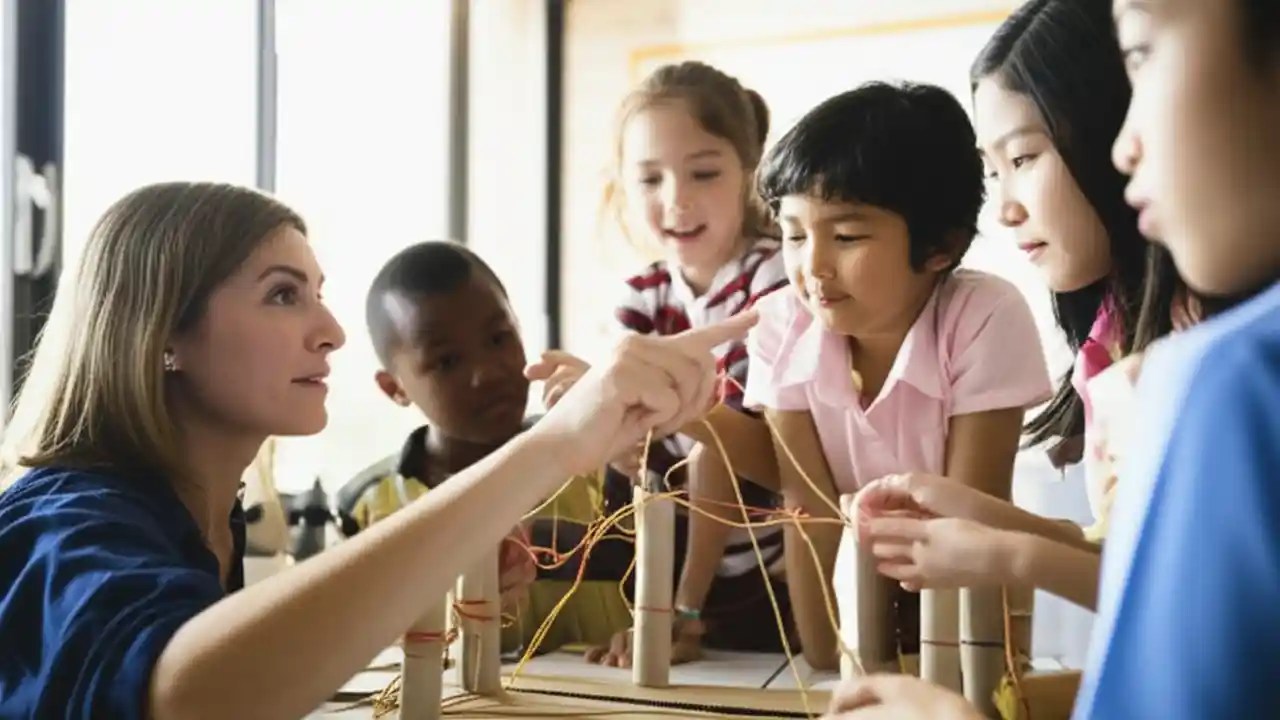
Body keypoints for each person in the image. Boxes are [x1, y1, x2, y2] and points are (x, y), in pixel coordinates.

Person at [0, 182, 752, 718]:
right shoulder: (66, 521)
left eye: (318, 292)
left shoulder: (201, 519)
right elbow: (189, 695)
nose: (329, 329)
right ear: (165, 336)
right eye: (283, 294)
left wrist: (408, 602)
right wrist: (554, 445)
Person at [826, 0, 1280, 716]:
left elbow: (1178, 613)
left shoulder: (1224, 371)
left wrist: (1008, 557)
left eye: (1025, 158)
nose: (1005, 208)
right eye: (994, 169)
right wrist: (988, 520)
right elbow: (1143, 556)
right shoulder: (1114, 341)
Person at [739, 80, 1053, 669]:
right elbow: (806, 499)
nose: (813, 267)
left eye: (848, 235)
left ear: (941, 246)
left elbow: (970, 512)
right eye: (794, 234)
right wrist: (829, 649)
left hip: (971, 631)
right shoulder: (780, 323)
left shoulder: (984, 315)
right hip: (849, 611)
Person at [536, 60, 794, 666]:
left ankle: (677, 617)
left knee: (711, 433)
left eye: (703, 172)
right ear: (623, 185)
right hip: (680, 557)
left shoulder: (773, 274)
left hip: (772, 573)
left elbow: (732, 449)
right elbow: (639, 453)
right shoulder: (642, 293)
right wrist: (602, 417)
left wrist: (680, 612)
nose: (677, 200)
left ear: (750, 176)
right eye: (650, 179)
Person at [334, 240, 629, 651]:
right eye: (447, 361)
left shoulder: (601, 462)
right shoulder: (365, 512)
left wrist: (658, 631)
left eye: (498, 338)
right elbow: (351, 647)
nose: (487, 373)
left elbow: (671, 580)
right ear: (394, 388)